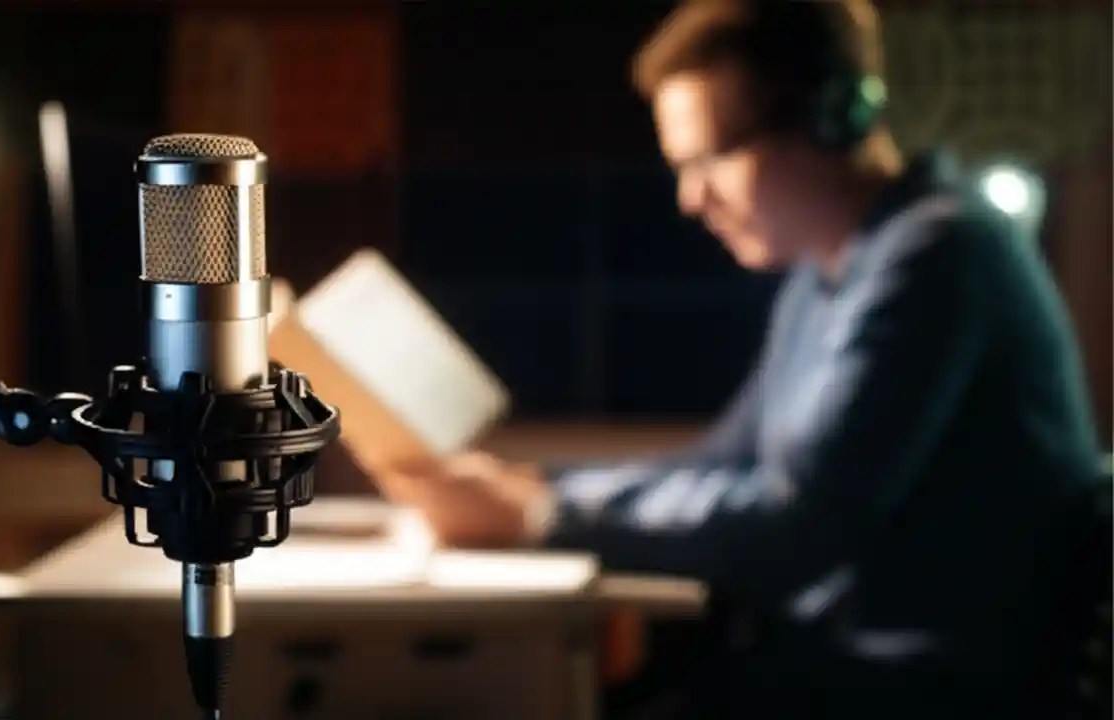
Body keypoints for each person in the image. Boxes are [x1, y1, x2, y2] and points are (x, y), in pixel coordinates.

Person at [375, 0, 1107, 717]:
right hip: (846, 666)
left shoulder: (939, 257)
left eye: (712, 159)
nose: (692, 200)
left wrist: (541, 515)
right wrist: (525, 486)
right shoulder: (827, 272)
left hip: (930, 687)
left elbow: (805, 525)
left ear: (829, 117)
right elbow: (727, 460)